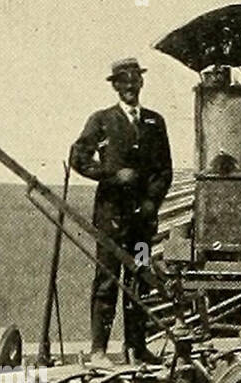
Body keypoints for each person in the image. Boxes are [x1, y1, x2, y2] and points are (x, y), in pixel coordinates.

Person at [69, 57, 172, 365]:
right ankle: (98, 351)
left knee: (139, 277)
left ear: (141, 83)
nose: (130, 86)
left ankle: (137, 348)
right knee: (107, 278)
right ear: (115, 86)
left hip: (143, 222)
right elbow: (79, 157)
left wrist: (152, 201)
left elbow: (164, 169)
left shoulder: (155, 122)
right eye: (123, 81)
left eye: (134, 80)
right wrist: (111, 175)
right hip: (112, 217)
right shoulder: (102, 120)